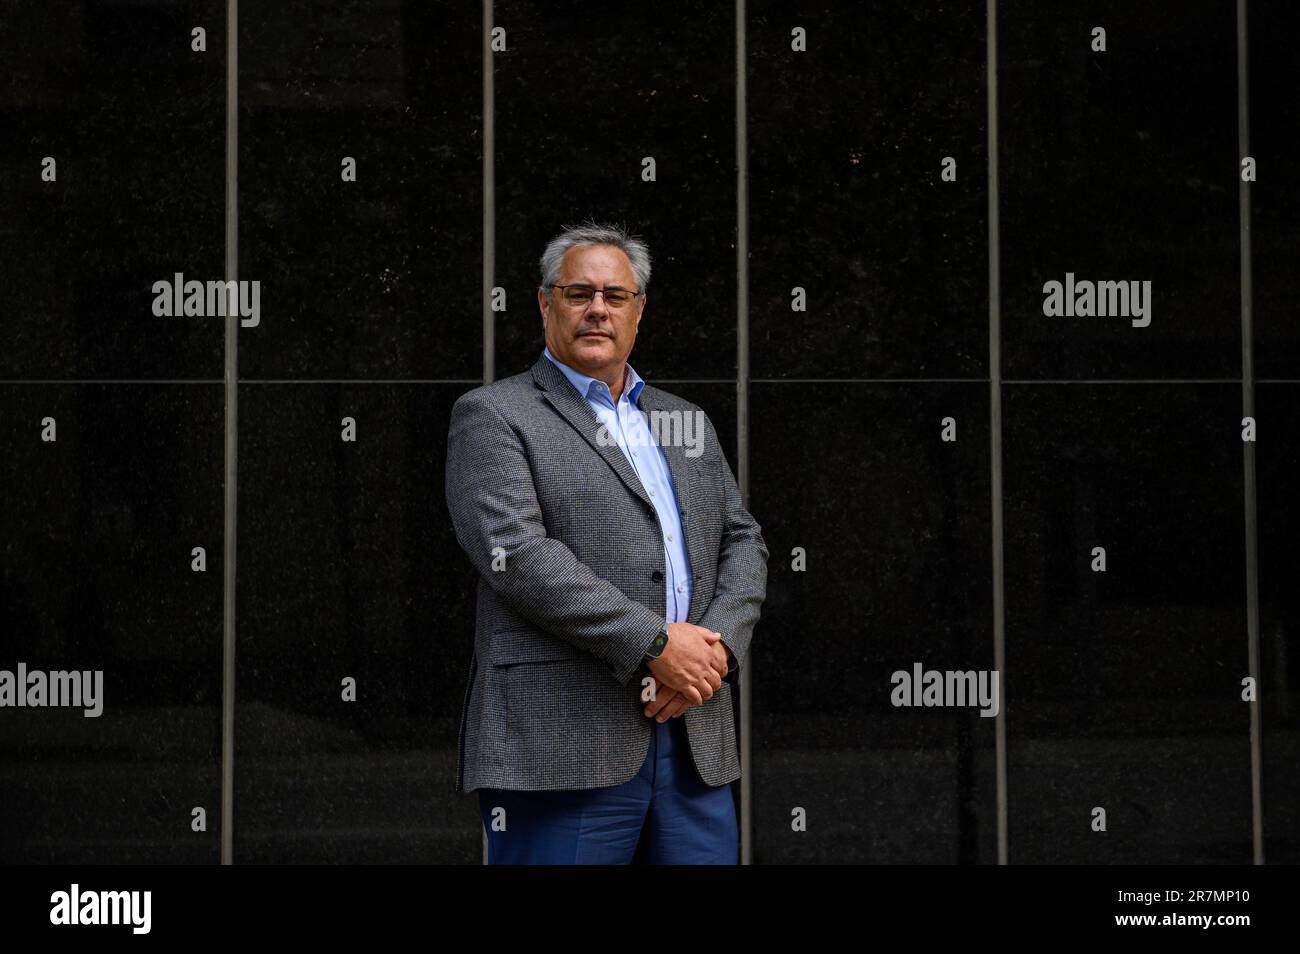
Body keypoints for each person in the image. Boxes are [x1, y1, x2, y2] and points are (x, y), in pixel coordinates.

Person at [444, 221, 768, 864]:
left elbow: (744, 540)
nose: (598, 309)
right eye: (578, 293)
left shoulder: (684, 420)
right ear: (544, 304)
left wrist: (716, 651)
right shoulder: (495, 414)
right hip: (563, 744)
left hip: (693, 735)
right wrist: (654, 644)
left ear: (638, 311)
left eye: (616, 296)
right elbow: (519, 557)